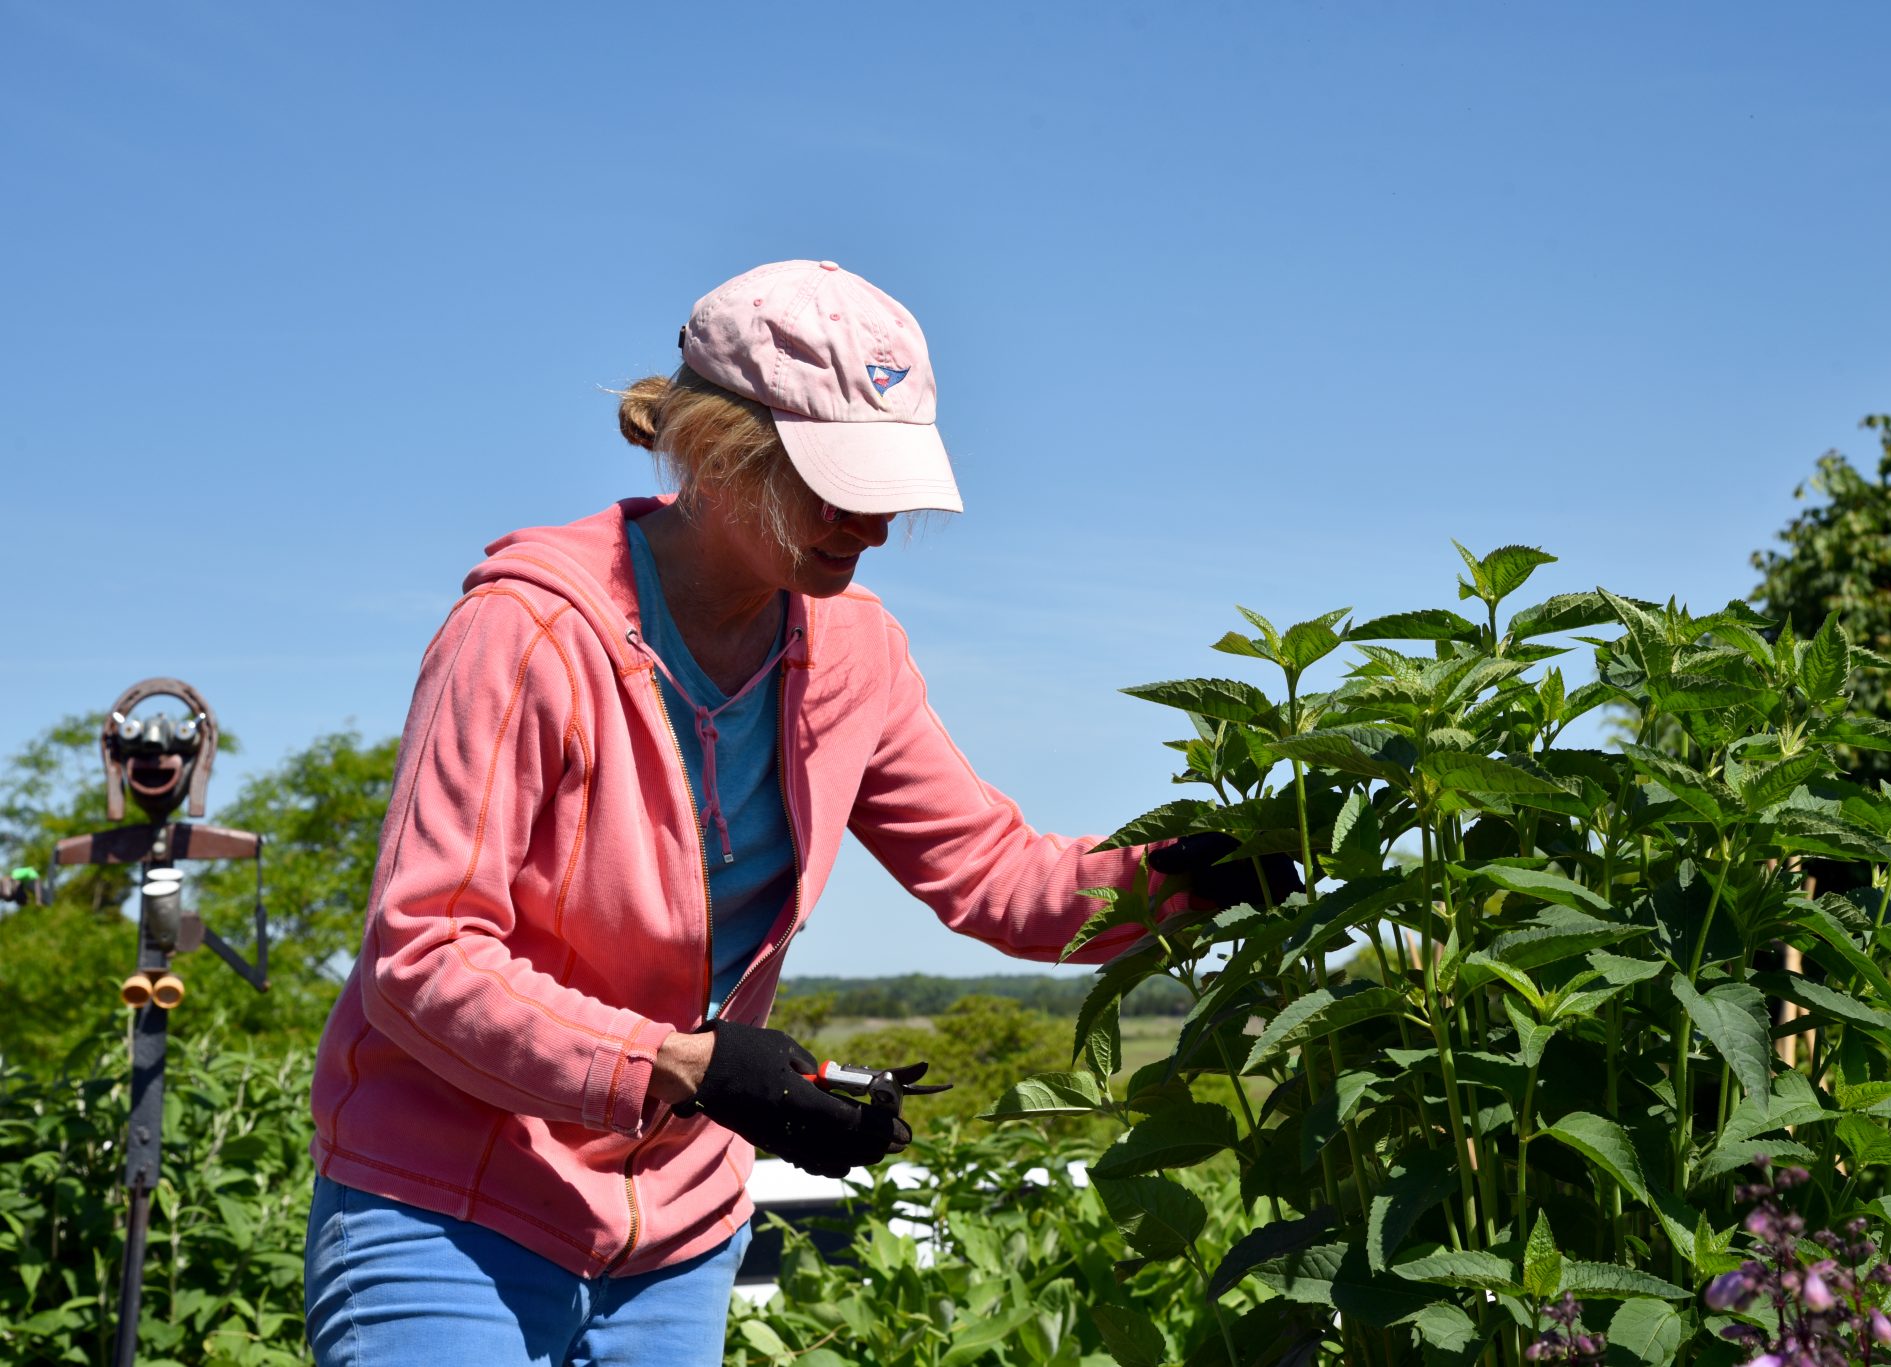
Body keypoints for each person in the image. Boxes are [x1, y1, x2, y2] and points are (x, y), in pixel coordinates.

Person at [301, 260, 1287, 1365]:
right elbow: (423, 953)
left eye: (886, 486)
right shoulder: (530, 634)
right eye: (832, 482)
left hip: (674, 1226)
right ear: (721, 452)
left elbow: (991, 874)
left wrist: (1189, 873)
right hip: (451, 1204)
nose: (867, 523)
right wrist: (685, 1066)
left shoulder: (850, 653)